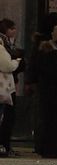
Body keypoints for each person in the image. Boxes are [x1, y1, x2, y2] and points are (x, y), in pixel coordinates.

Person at [34, 26, 57, 158]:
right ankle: (55, 149)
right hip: (55, 93)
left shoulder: (44, 53)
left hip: (47, 92)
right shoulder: (55, 56)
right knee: (55, 122)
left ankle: (45, 147)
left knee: (47, 121)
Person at [0, 19, 22, 157]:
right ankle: (3, 145)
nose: (15, 31)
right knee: (4, 117)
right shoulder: (2, 46)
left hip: (6, 88)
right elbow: (7, 65)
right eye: (12, 28)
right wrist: (17, 61)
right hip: (4, 88)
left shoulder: (7, 45)